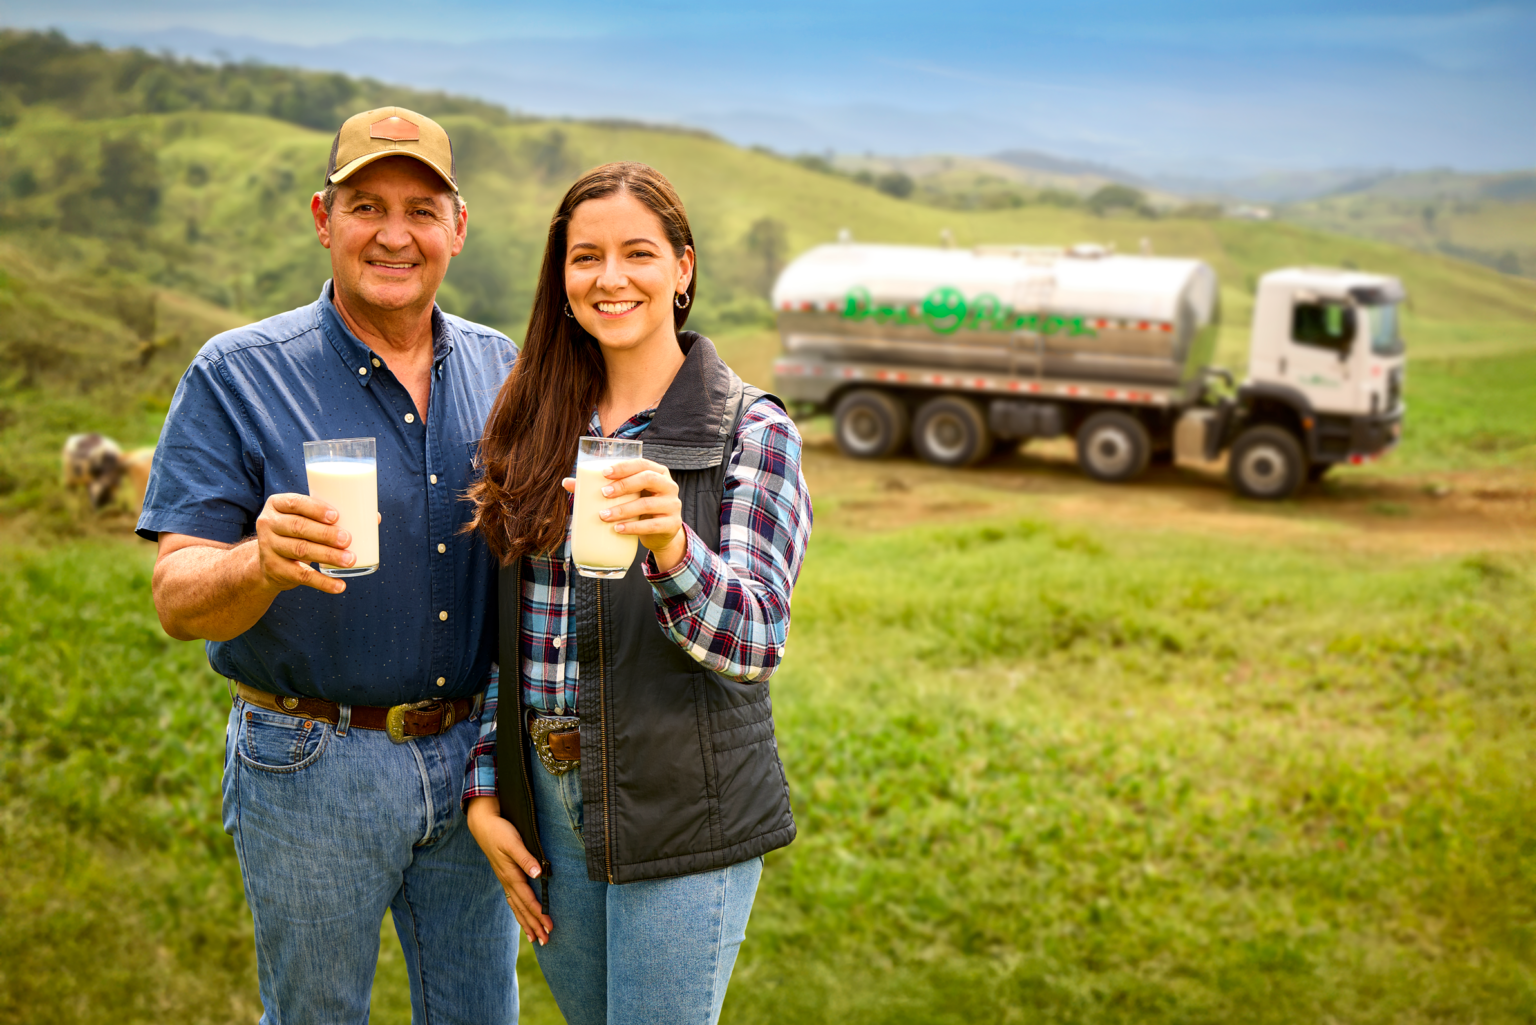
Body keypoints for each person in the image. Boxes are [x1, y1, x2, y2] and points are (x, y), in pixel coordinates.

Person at [138, 107, 519, 1024]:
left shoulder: (503, 367)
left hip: (472, 760)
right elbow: (177, 601)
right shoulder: (235, 373)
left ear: (457, 228)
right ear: (323, 216)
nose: (395, 234)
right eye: (366, 206)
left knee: (480, 1013)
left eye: (422, 210)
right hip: (312, 761)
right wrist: (260, 563)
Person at [461, 162, 812, 1024]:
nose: (609, 279)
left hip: (681, 801)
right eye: (586, 257)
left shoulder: (751, 430)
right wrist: (486, 787)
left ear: (682, 268)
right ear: (562, 276)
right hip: (547, 798)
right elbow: (505, 635)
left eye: (637, 254)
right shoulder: (534, 414)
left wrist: (671, 545)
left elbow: (757, 637)